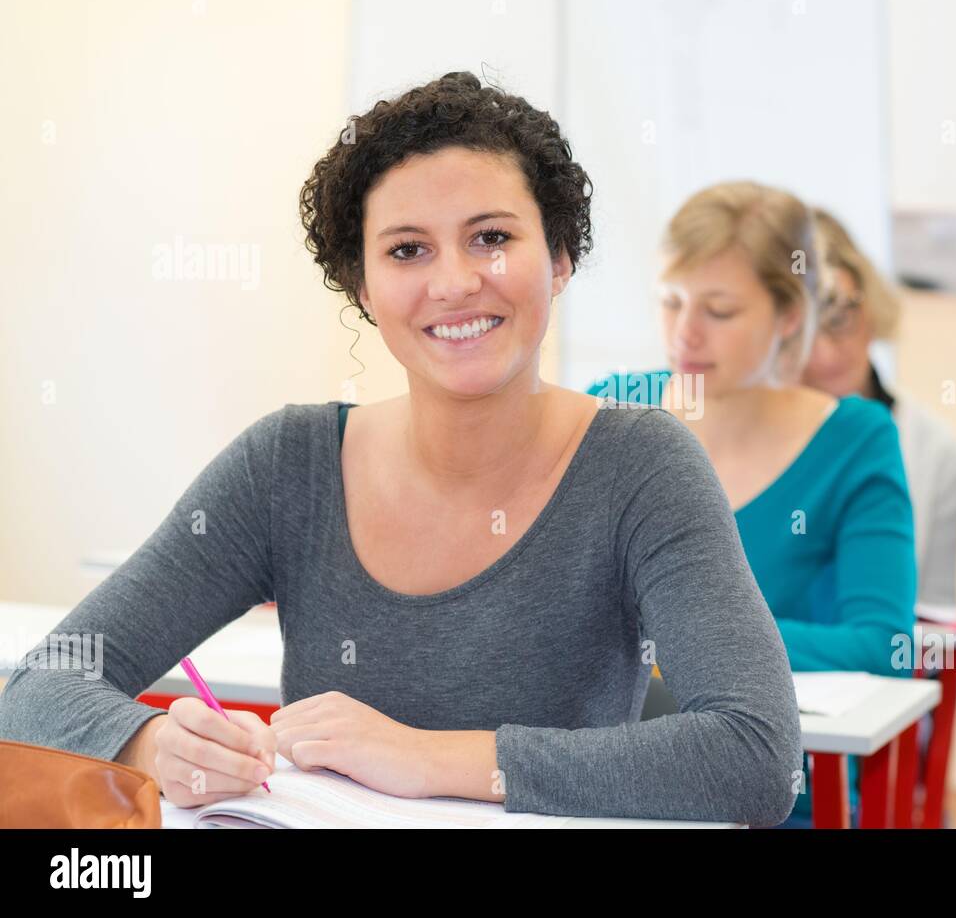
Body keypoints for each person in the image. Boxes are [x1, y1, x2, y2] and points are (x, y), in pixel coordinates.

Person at [0, 71, 803, 827]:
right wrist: (152, 748)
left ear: (559, 259)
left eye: (490, 237)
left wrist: (427, 758)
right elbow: (38, 683)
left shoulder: (641, 466)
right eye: (407, 249)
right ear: (362, 287)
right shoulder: (289, 464)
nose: (453, 283)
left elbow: (757, 755)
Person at [587, 180, 916, 826]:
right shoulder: (613, 410)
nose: (685, 333)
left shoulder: (855, 439)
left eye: (720, 310)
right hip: (613, 780)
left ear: (789, 315)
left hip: (782, 789)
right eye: (670, 301)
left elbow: (883, 646)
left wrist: (694, 647)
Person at [801, 207, 956, 616]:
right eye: (802, 334)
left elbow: (933, 623)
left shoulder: (932, 448)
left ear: (871, 308)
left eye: (839, 319)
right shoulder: (735, 433)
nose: (824, 353)